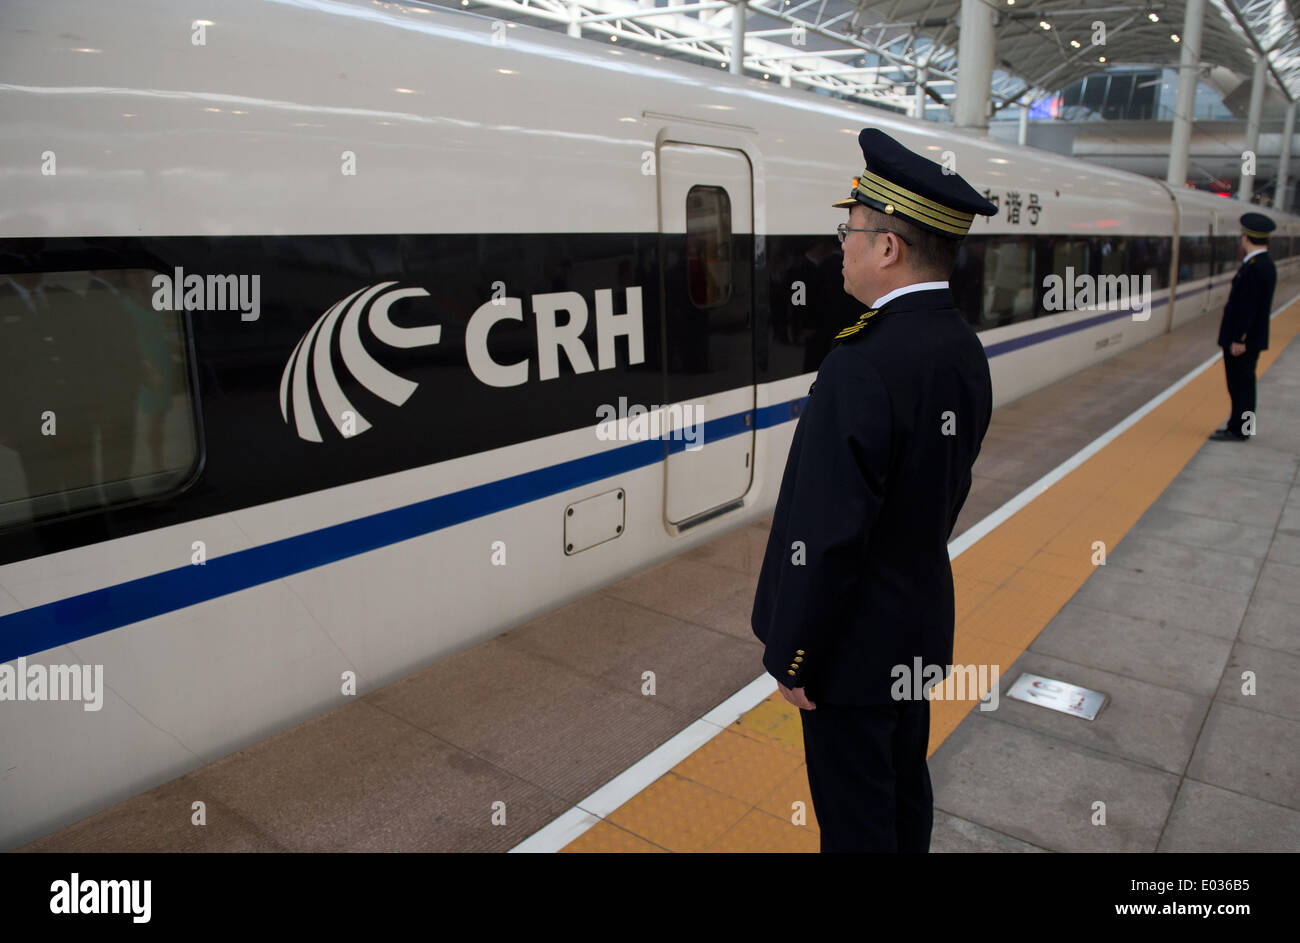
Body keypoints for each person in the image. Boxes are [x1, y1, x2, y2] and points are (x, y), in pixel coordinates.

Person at [750, 127, 996, 852]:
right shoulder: (959, 347)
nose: (843, 244)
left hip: (850, 654)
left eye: (850, 230)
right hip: (912, 629)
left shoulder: (863, 363)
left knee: (856, 824)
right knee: (900, 794)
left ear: (887, 247)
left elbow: (825, 536)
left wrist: (794, 653)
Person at [1210, 211, 1276, 442]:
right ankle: (1238, 426)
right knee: (1242, 386)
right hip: (1249, 340)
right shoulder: (1262, 265)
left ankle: (1240, 429)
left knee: (1242, 387)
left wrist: (1239, 338)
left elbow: (1249, 308)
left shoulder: (1256, 268)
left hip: (1243, 342)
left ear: (1246, 238)